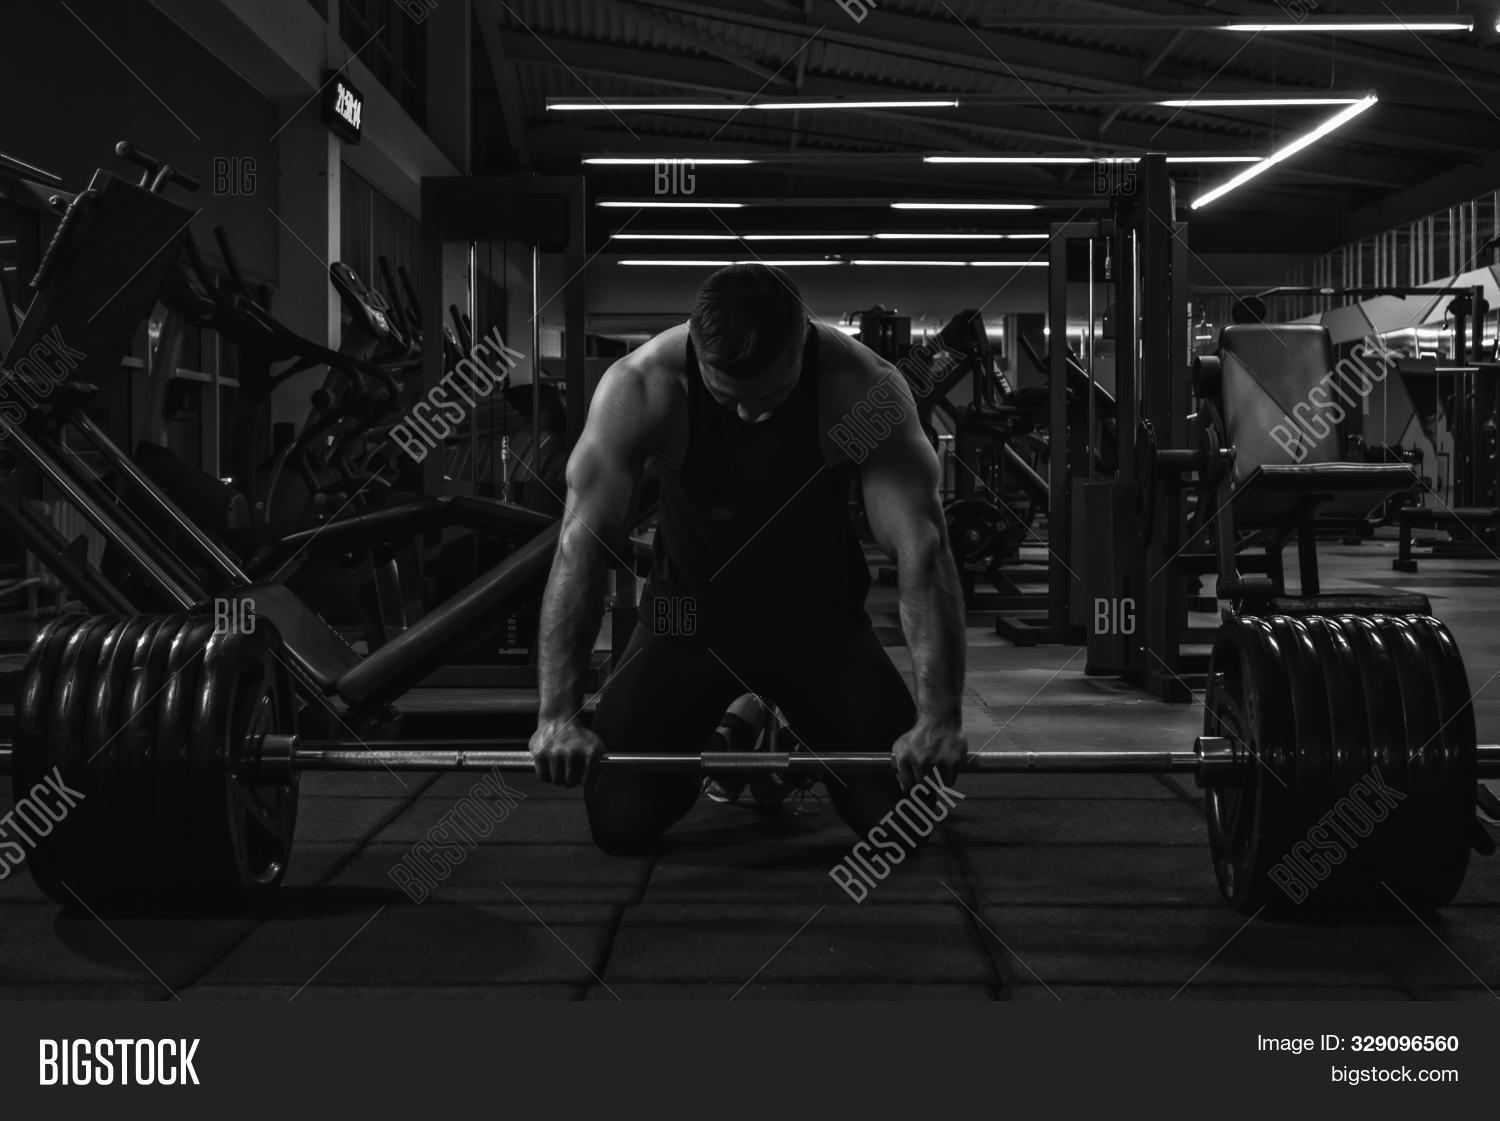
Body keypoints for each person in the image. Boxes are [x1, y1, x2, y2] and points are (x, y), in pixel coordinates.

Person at [527, 263, 967, 852]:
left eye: (771, 397)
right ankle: (743, 725)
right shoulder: (641, 385)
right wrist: (556, 715)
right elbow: (580, 546)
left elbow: (923, 549)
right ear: (697, 348)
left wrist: (939, 719)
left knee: (902, 823)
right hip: (687, 625)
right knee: (620, 822)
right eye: (728, 397)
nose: (750, 416)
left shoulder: (864, 387)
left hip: (820, 628)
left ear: (801, 343)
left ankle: (795, 740)